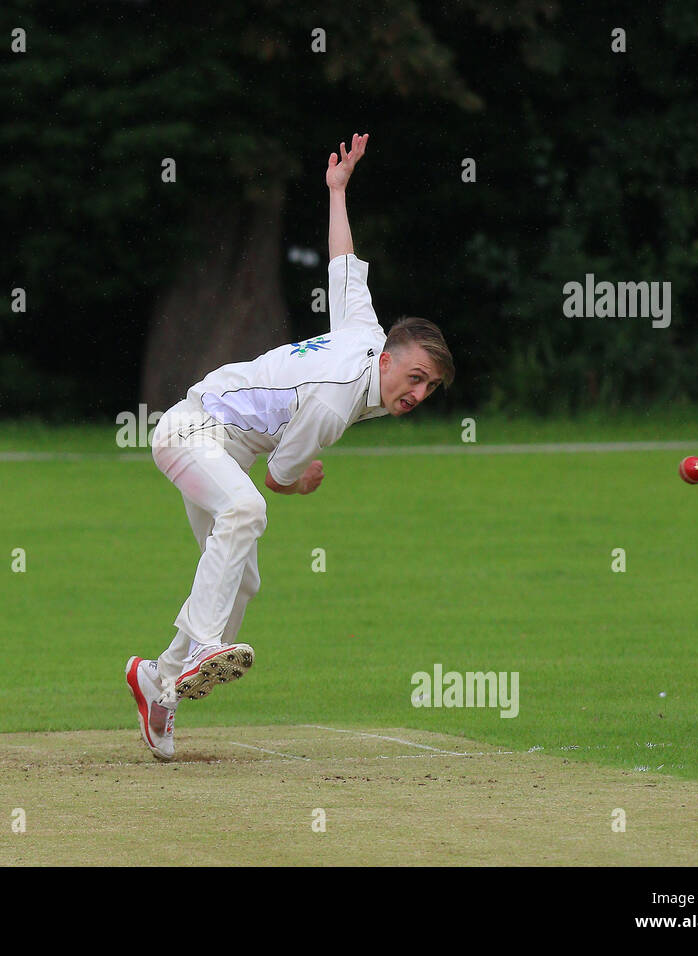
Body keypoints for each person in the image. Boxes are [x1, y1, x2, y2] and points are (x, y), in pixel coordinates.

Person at [125, 133, 455, 760]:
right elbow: (278, 477)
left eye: (429, 388)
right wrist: (300, 481)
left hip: (221, 452)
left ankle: (158, 681)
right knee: (248, 511)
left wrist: (336, 191)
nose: (417, 393)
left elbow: (343, 264)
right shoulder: (335, 399)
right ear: (387, 359)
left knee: (242, 584)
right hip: (190, 430)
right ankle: (199, 647)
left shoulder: (365, 331)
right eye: (414, 378)